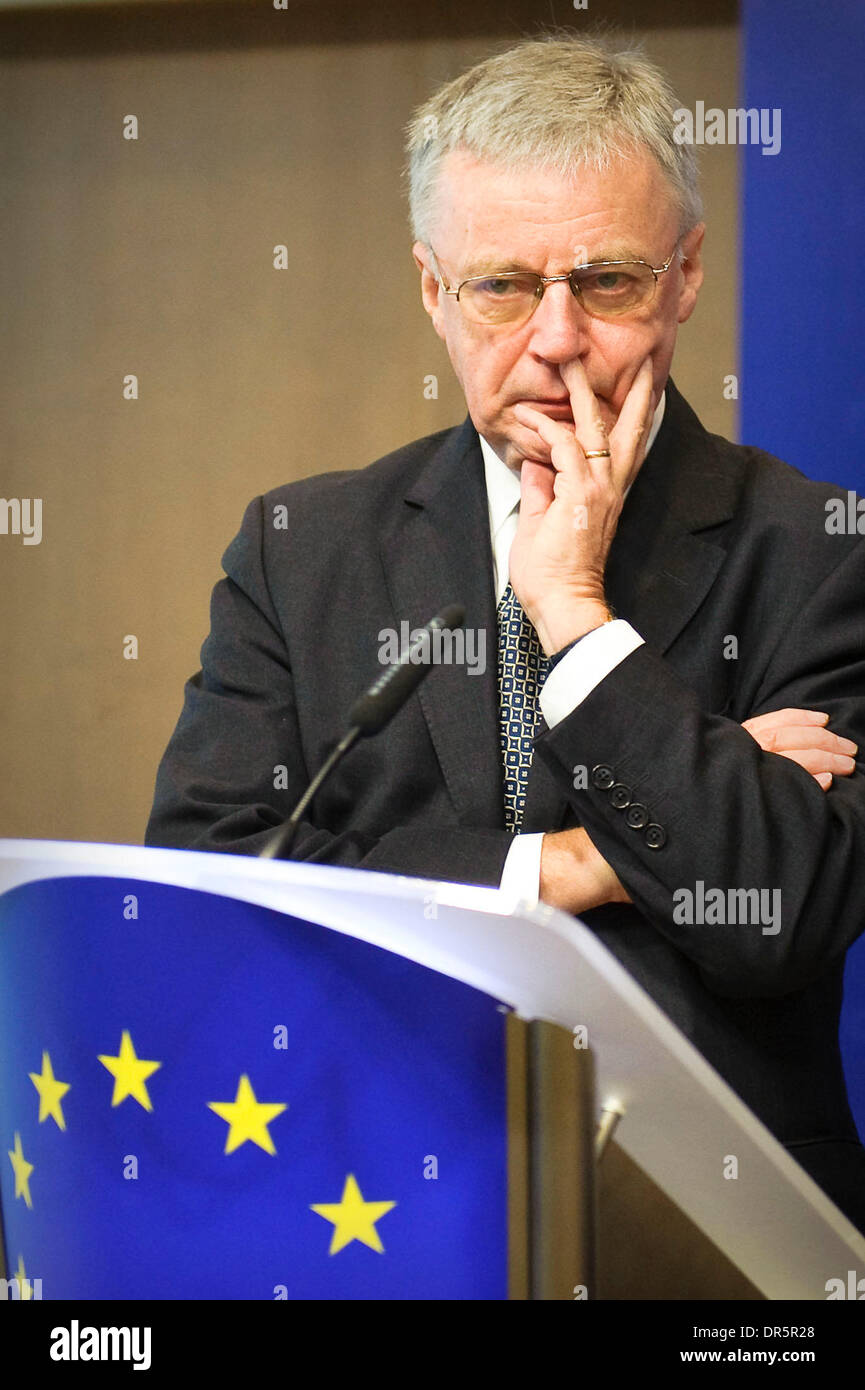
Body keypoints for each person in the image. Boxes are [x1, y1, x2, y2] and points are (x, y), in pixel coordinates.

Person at [145, 36, 865, 1232]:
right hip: (364, 1208)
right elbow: (215, 888)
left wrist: (575, 614)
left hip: (718, 1227)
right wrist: (572, 866)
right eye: (503, 287)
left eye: (607, 281)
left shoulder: (818, 549)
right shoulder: (301, 547)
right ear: (434, 291)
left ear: (686, 274)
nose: (556, 339)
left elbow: (775, 917)